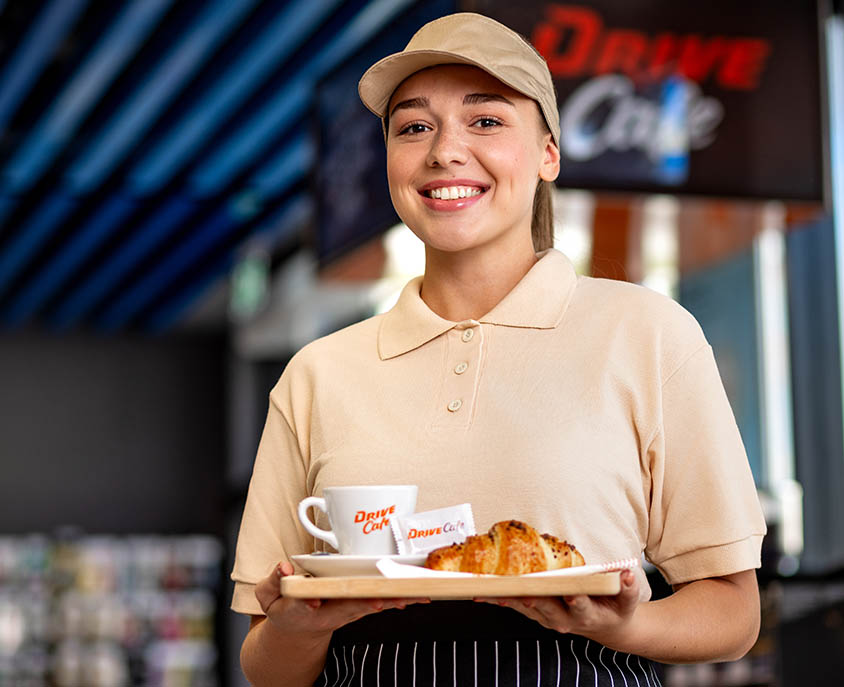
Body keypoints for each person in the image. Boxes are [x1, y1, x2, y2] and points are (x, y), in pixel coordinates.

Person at [231, 12, 766, 687]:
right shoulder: (319, 373)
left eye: (485, 121)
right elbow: (266, 663)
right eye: (414, 127)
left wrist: (626, 625)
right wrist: (295, 626)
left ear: (548, 153)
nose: (444, 151)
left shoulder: (648, 334)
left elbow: (734, 611)